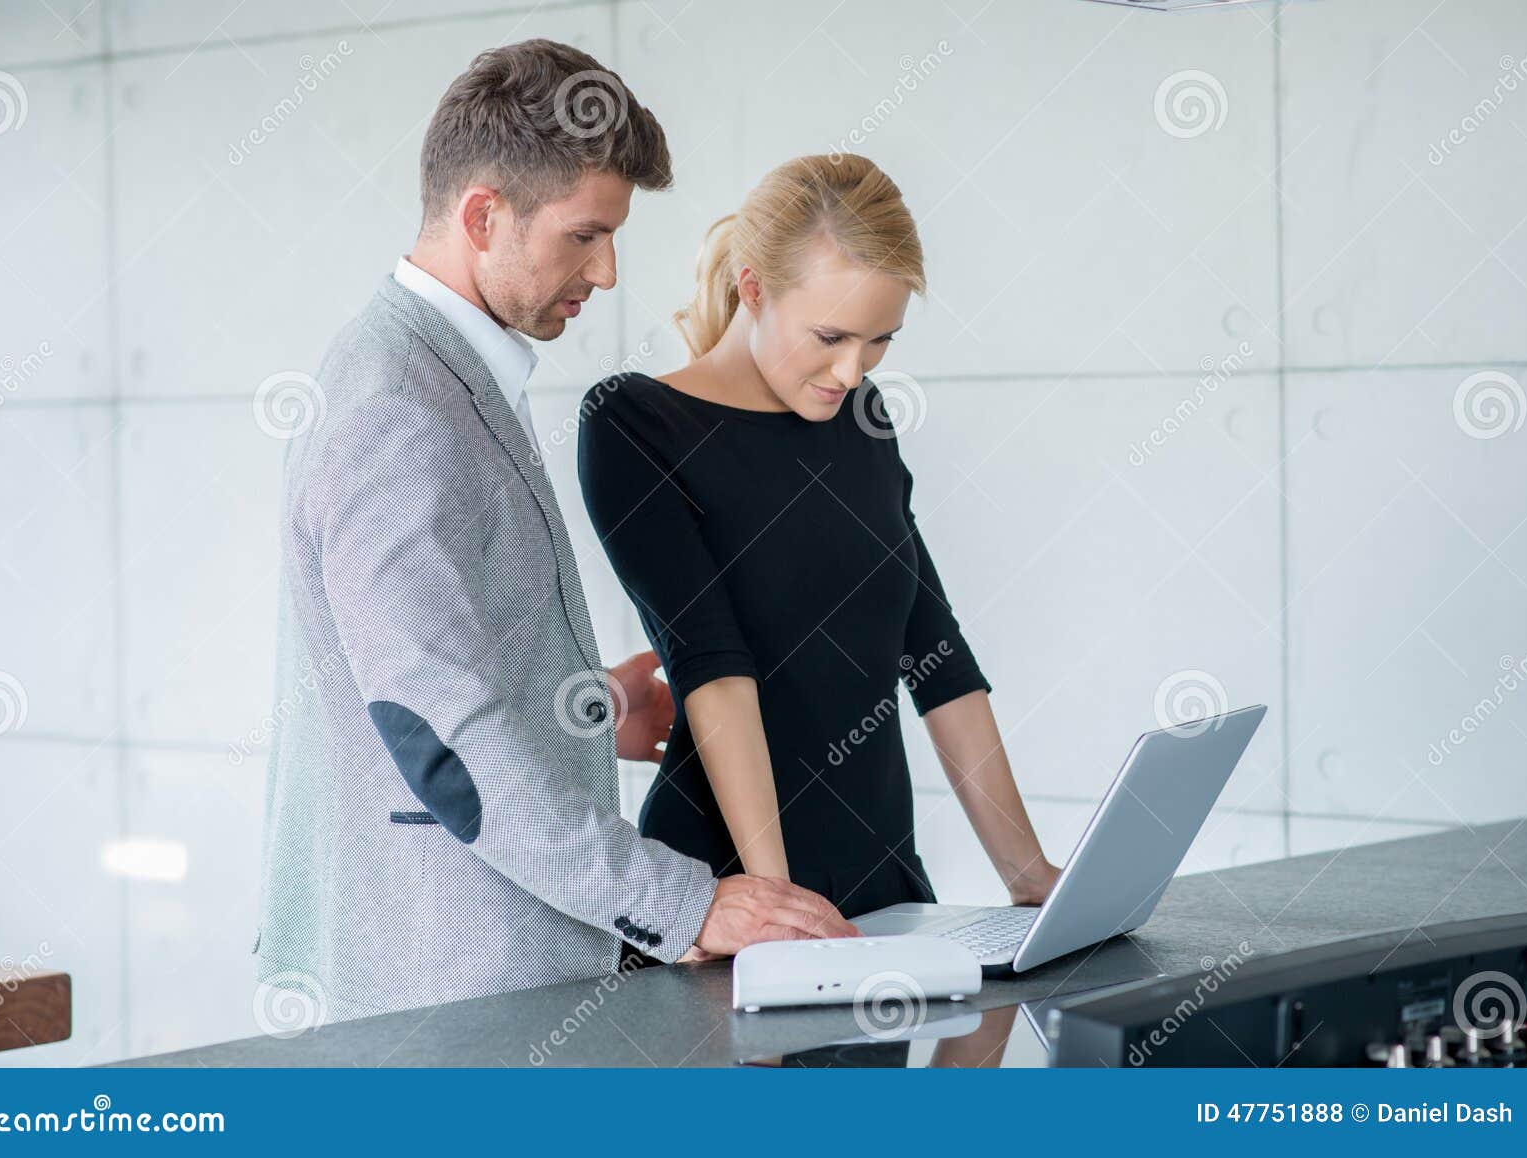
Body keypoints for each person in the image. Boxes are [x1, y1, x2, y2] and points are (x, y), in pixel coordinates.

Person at [254, 41, 855, 1024]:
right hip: (444, 985)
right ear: (483, 215)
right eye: (584, 236)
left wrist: (582, 706)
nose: (607, 271)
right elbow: (434, 732)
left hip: (488, 978)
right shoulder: (396, 409)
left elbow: (428, 665)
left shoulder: (444, 372)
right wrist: (686, 900)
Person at [577, 154, 1062, 922]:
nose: (851, 369)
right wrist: (778, 904)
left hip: (888, 888)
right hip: (731, 902)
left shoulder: (861, 421)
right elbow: (713, 670)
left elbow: (936, 654)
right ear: (753, 288)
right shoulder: (636, 424)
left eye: (880, 341)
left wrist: (1031, 872)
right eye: (831, 336)